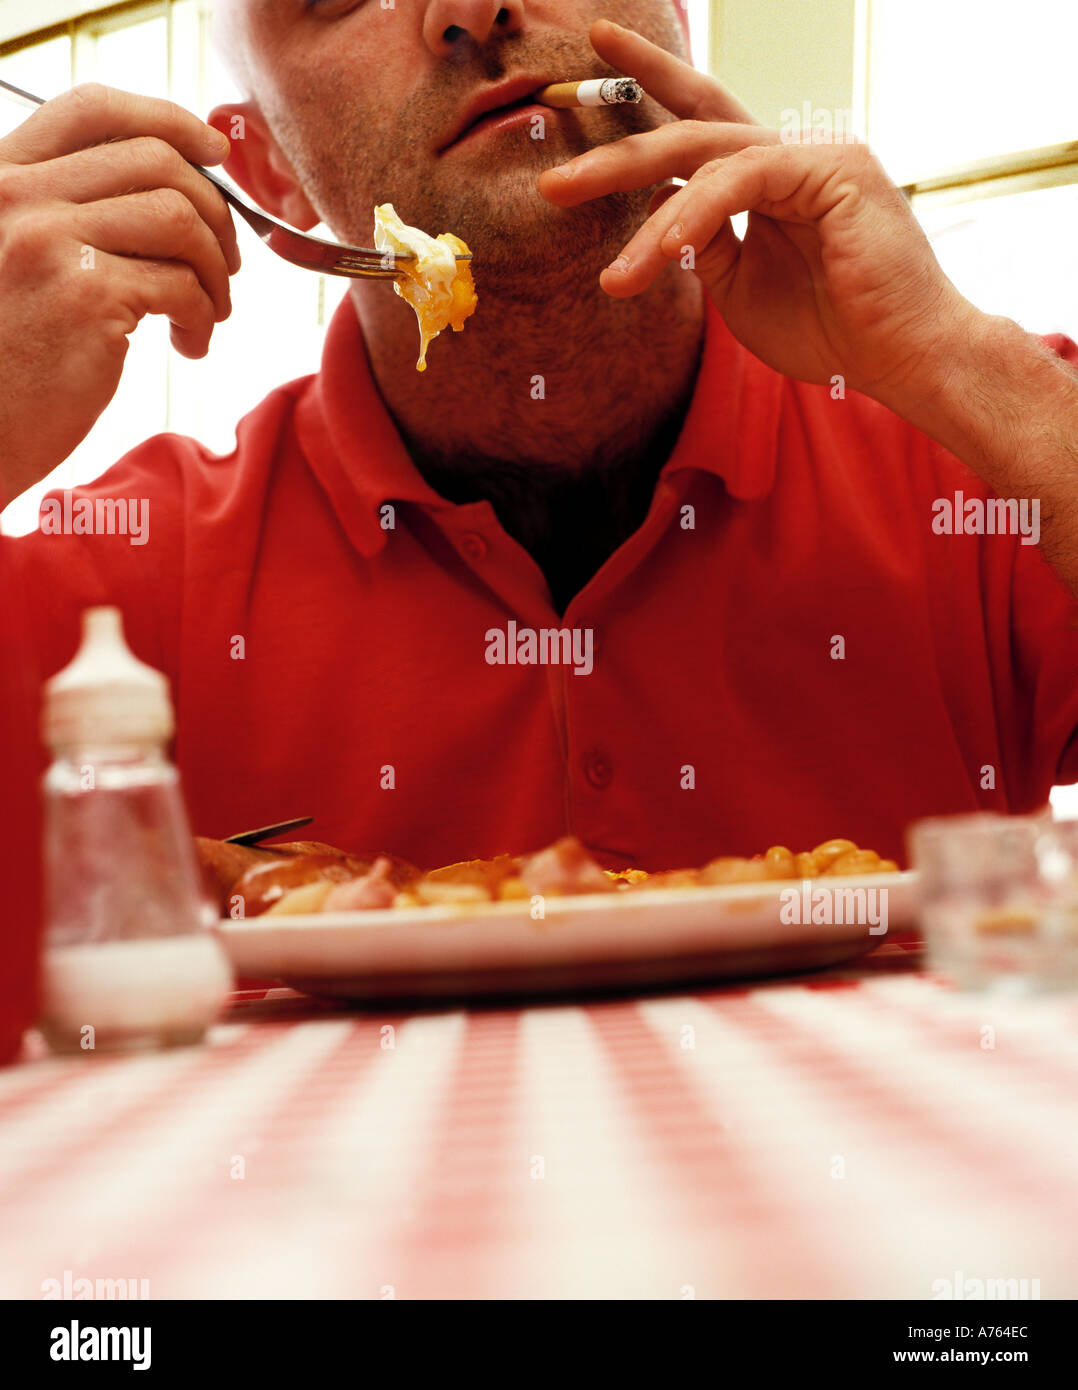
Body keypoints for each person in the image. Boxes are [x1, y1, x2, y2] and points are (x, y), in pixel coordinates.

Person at [2, 1, 1078, 872]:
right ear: (264, 167)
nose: (468, 10)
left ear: (673, 27)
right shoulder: (129, 583)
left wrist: (954, 360)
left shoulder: (978, 450)